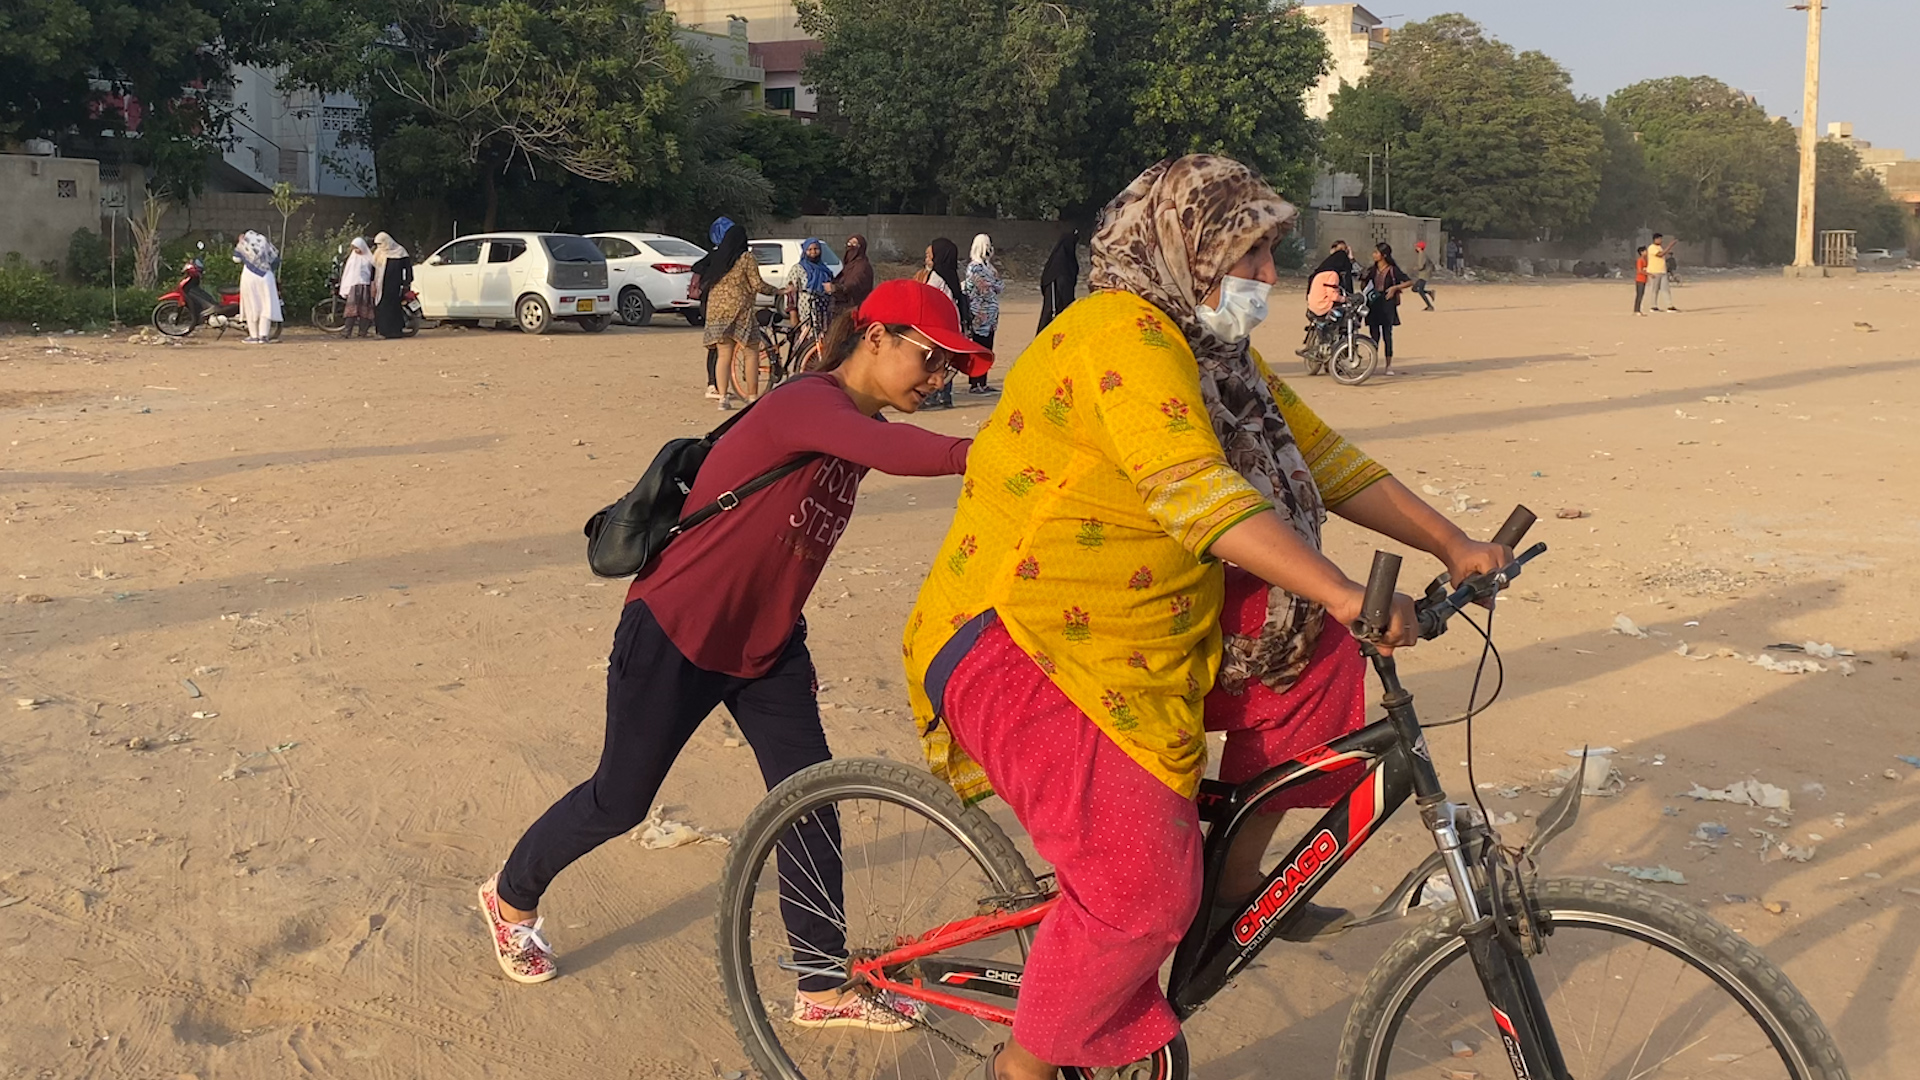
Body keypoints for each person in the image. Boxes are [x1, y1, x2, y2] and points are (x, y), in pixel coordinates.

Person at [900, 154, 1511, 1080]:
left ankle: (1233, 882)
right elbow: (1196, 495)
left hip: (1149, 629)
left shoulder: (1218, 356)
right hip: (1028, 642)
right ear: (1183, 250)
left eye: (1272, 253)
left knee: (1316, 657)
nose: (1271, 277)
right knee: (1140, 891)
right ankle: (1020, 1065)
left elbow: (1329, 459)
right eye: (1251, 255)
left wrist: (1453, 544)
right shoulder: (1119, 333)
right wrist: (1345, 592)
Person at [481, 280, 988, 1028]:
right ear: (875, 338)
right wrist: (988, 454)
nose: (939, 378)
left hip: (765, 646)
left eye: (951, 367)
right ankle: (509, 895)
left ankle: (819, 987)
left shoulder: (855, 432)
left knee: (809, 802)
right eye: (931, 358)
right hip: (676, 629)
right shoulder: (810, 403)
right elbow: (888, 447)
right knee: (619, 800)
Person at [693, 223, 778, 409]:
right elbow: (757, 284)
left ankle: (722, 398)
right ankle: (752, 396)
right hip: (740, 311)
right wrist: (778, 291)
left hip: (716, 311)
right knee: (750, 352)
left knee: (723, 354)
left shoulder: (719, 258)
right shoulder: (746, 258)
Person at [917, 238, 971, 408]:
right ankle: (945, 396)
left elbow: (929, 299)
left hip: (937, 324)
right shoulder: (951, 275)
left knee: (934, 360)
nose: (928, 258)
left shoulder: (936, 276)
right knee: (946, 359)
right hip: (951, 323)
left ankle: (932, 396)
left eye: (930, 254)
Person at [960, 232, 1003, 393]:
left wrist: (993, 281)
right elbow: (985, 288)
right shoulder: (975, 267)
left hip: (990, 316)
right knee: (978, 347)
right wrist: (993, 281)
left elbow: (999, 287)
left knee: (987, 348)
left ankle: (983, 382)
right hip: (979, 314)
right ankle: (975, 383)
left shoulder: (987, 267)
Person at [1364, 242, 1414, 374]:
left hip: (1388, 305)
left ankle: (1388, 365)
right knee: (1374, 336)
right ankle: (1372, 363)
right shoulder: (1372, 269)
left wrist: (1395, 288)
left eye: (1376, 252)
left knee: (1387, 335)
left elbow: (1409, 281)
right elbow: (1363, 280)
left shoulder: (1393, 270)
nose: (1374, 255)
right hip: (1374, 304)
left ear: (1384, 255)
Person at [701, 216, 736, 399]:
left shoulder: (720, 255)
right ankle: (712, 384)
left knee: (723, 347)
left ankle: (719, 384)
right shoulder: (719, 256)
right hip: (713, 306)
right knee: (717, 347)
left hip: (716, 306)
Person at [232, 231, 282, 344]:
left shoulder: (245, 243)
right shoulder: (265, 243)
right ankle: (263, 336)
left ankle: (254, 336)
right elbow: (275, 261)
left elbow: (236, 259)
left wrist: (240, 243)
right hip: (267, 277)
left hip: (249, 277)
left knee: (251, 306)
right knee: (266, 306)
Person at [790, 237, 835, 362]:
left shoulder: (826, 271)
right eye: (810, 249)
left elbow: (831, 291)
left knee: (823, 343)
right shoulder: (798, 269)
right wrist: (793, 314)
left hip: (824, 313)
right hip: (806, 314)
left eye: (816, 249)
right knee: (806, 343)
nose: (813, 252)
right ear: (805, 251)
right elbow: (790, 294)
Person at [1036, 229, 1079, 333]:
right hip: (1055, 297)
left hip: (1061, 299)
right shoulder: (1059, 266)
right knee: (1049, 315)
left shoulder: (1066, 261)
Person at [371, 232, 412, 339]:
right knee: (381, 307)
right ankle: (382, 331)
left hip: (395, 285)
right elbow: (373, 268)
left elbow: (407, 269)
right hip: (380, 285)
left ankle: (395, 332)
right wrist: (372, 283)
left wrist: (407, 283)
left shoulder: (400, 252)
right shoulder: (378, 253)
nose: (380, 246)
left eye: (381, 243)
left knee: (394, 307)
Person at [824, 234, 873, 320]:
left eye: (854, 243)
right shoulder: (849, 265)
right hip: (842, 307)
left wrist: (836, 288)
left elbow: (855, 283)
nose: (850, 246)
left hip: (854, 309)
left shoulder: (862, 266)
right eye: (849, 243)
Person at [339, 237, 376, 338]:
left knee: (365, 310)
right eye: (354, 248)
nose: (356, 250)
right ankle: (347, 332)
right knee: (351, 310)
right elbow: (348, 273)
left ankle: (362, 332)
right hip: (354, 286)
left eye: (358, 248)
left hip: (366, 286)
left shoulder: (369, 258)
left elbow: (373, 272)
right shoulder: (352, 258)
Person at [1646, 233, 1679, 312]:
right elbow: (1660, 254)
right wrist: (1670, 246)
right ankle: (1653, 306)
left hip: (1662, 271)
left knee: (1665, 288)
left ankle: (1669, 306)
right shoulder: (1652, 248)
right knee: (1655, 289)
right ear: (1655, 239)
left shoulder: (1659, 247)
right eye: (1660, 239)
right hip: (1654, 271)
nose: (1661, 241)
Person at [1411, 240, 1438, 311]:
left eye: (1417, 246)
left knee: (1420, 290)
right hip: (1423, 274)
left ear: (1419, 248)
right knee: (1414, 289)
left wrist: (1415, 268)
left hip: (1424, 275)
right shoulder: (1423, 254)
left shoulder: (1421, 255)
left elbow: (1421, 266)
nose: (1416, 248)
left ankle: (1430, 306)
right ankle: (1429, 292)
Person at [1633, 245, 1649, 316]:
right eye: (1645, 251)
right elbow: (1639, 270)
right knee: (1639, 295)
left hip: (1644, 280)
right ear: (1641, 252)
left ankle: (1638, 309)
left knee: (1641, 295)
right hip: (1640, 279)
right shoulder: (1640, 260)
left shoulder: (1645, 260)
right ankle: (1636, 310)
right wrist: (1649, 274)